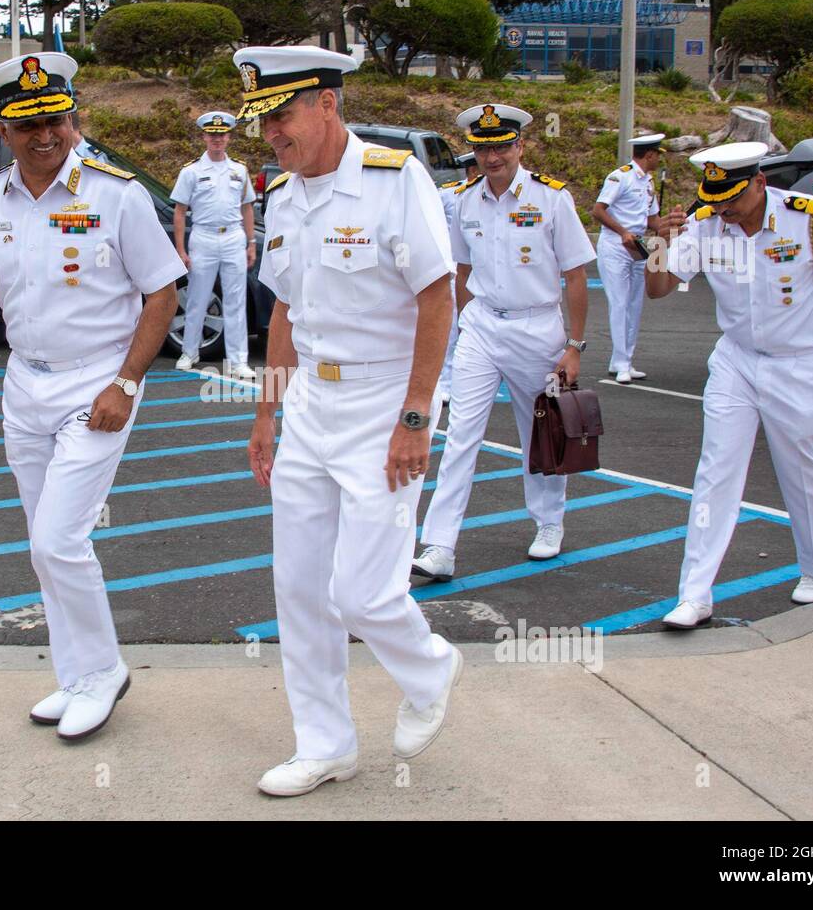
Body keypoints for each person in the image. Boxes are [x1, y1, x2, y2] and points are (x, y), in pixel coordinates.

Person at [0, 52, 182, 737]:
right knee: (43, 543)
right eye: (29, 124)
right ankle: (75, 675)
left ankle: (104, 671)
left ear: (73, 117)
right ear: (2, 131)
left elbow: (162, 294)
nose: (47, 134)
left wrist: (127, 381)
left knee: (60, 539)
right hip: (23, 385)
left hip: (97, 382)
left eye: (57, 119)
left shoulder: (115, 194)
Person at [242, 45, 462, 797]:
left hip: (382, 404)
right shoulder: (282, 197)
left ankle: (429, 668)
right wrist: (267, 410)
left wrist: (414, 414)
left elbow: (439, 297)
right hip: (307, 405)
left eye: (283, 115)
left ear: (328, 104)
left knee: (363, 592)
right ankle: (324, 742)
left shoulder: (395, 180)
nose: (272, 134)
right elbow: (285, 311)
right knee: (300, 586)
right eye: (263, 122)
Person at [646, 142, 813, 628]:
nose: (724, 208)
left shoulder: (806, 219)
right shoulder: (707, 224)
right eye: (716, 197)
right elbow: (659, 289)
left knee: (801, 469)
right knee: (715, 471)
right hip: (736, 362)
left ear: (760, 184)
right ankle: (695, 593)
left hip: (800, 362)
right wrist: (657, 241)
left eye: (732, 198)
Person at [412, 104, 594, 581]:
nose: (492, 157)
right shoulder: (467, 200)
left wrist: (574, 345)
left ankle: (549, 522)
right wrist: (466, 320)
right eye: (482, 148)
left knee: (540, 432)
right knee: (460, 436)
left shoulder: (552, 199)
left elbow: (575, 276)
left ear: (520, 146)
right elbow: (463, 270)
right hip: (483, 327)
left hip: (538, 330)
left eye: (501, 147)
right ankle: (440, 543)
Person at [169, 111, 257, 379]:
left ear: (229, 137)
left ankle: (238, 360)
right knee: (197, 298)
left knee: (236, 300)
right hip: (203, 237)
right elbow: (180, 211)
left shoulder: (239, 170)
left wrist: (251, 242)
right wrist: (181, 250)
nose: (217, 140)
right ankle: (189, 352)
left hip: (233, 237)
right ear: (204, 137)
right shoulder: (191, 171)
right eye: (212, 135)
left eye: (222, 135)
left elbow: (247, 208)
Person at [592, 133, 667, 383]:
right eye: (658, 155)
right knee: (620, 303)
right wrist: (622, 231)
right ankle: (622, 362)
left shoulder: (648, 182)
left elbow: (653, 220)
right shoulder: (620, 176)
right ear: (649, 155)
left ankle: (623, 360)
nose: (658, 159)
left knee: (635, 304)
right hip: (616, 244)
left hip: (638, 244)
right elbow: (598, 210)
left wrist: (676, 223)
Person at [435, 151, 478, 404]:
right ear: (471, 171)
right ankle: (446, 381)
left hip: (484, 270)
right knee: (451, 328)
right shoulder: (449, 194)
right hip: (455, 267)